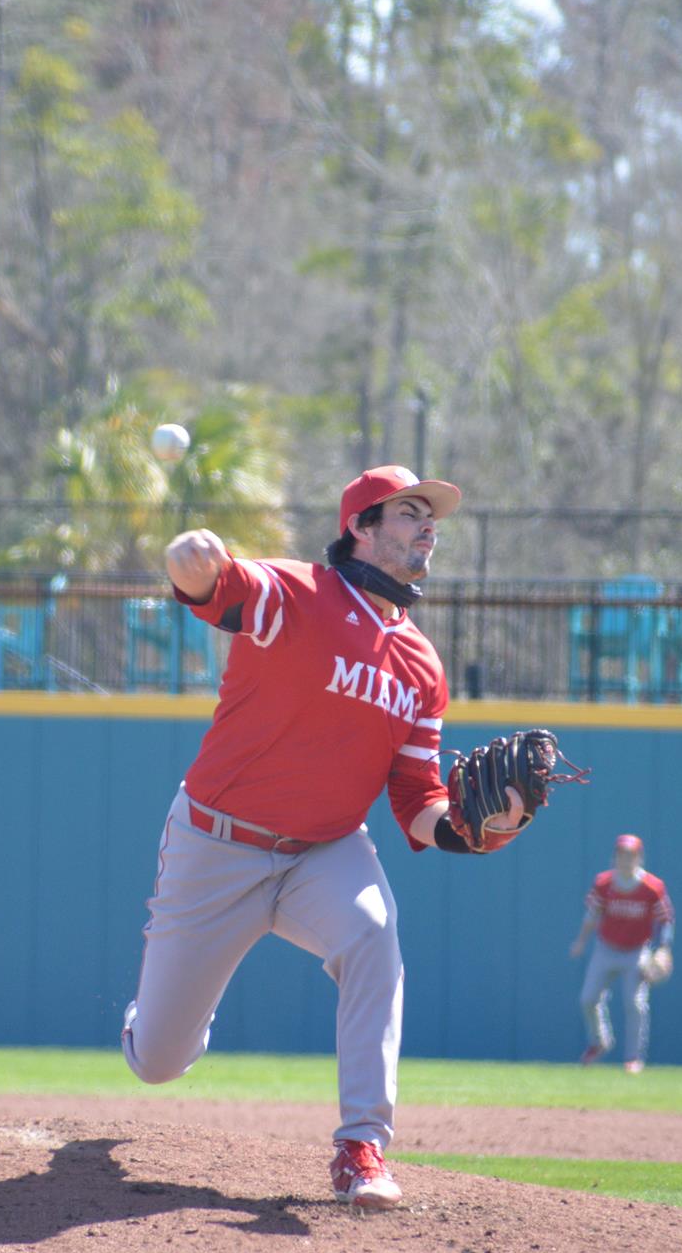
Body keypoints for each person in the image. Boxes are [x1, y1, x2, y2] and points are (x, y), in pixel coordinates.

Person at [121, 465, 555, 1211]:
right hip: (216, 844)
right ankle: (146, 1023)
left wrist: (476, 829)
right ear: (361, 525)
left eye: (433, 516)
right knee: (160, 1060)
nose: (429, 526)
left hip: (325, 849)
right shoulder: (296, 593)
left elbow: (418, 800)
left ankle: (362, 1146)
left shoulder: (421, 665)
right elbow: (218, 589)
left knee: (374, 934)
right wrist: (191, 563)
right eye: (411, 511)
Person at [569, 833, 674, 1074]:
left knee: (635, 1004)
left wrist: (665, 949)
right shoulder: (604, 883)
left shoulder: (652, 887)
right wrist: (581, 942)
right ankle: (599, 1042)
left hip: (636, 951)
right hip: (606, 947)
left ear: (639, 857)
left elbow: (666, 920)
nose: (626, 860)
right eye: (622, 855)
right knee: (588, 999)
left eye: (631, 855)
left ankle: (634, 1058)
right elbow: (592, 916)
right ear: (614, 857)